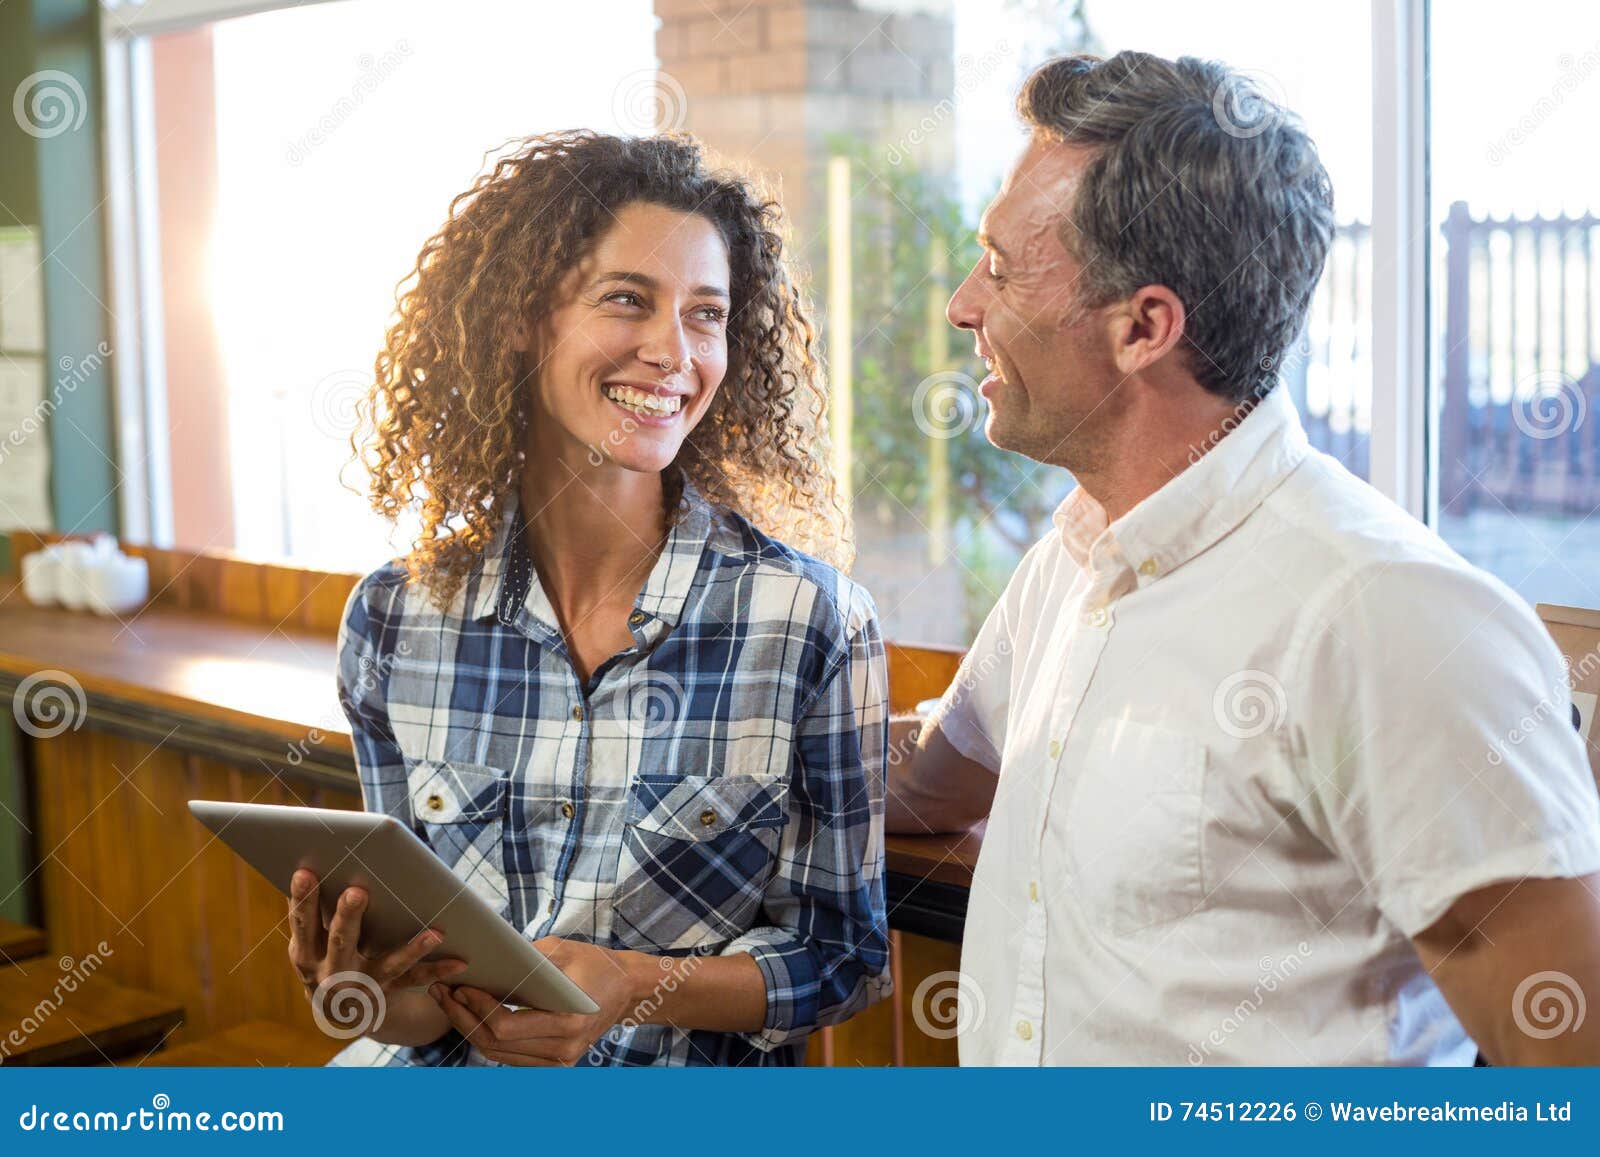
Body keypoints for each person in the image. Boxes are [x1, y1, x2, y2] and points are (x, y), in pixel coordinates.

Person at [887, 51, 1600, 1065]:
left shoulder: (1387, 613)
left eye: (1000, 271)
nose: (963, 304)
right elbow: (934, 785)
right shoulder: (1074, 558)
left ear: (1143, 327)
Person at [291, 130, 890, 1067]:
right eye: (627, 300)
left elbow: (843, 959)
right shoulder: (392, 621)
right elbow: (422, 1006)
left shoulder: (808, 621)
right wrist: (363, 993)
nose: (671, 351)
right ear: (521, 319)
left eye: (706, 314)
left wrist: (632, 985)